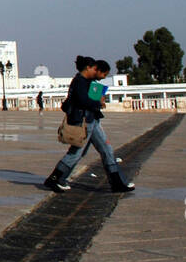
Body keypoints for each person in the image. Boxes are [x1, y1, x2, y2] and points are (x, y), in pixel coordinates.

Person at [44, 57, 134, 193]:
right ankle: (55, 179)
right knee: (76, 152)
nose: (96, 71)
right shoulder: (80, 81)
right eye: (95, 69)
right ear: (88, 68)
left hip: (92, 120)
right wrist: (98, 102)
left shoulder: (85, 82)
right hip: (85, 121)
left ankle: (117, 182)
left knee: (107, 150)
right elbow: (83, 101)